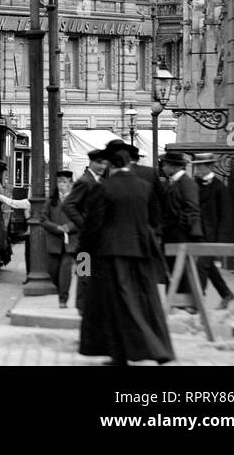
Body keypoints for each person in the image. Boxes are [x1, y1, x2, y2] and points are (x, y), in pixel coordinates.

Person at [79, 143, 174, 366]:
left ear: (111, 164)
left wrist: (83, 252)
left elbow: (94, 224)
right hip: (140, 253)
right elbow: (154, 221)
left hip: (111, 255)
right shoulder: (144, 187)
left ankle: (143, 350)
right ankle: (126, 354)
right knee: (143, 302)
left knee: (116, 305)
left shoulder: (103, 187)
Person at [63, 149, 108, 311]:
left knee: (88, 271)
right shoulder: (85, 181)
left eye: (104, 163)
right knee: (84, 272)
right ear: (91, 162)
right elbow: (68, 205)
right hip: (86, 237)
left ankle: (87, 303)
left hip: (92, 237)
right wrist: (84, 224)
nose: (102, 166)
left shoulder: (97, 181)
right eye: (99, 162)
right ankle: (82, 305)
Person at [159, 149, 203, 295]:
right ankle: (173, 304)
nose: (163, 168)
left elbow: (192, 209)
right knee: (171, 272)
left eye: (164, 165)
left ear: (173, 166)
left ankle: (183, 305)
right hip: (170, 236)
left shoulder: (187, 183)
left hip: (181, 236)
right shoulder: (171, 183)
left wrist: (180, 229)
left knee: (181, 273)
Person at [192, 156, 234, 308]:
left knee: (201, 266)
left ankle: (198, 301)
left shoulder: (219, 187)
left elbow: (226, 215)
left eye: (201, 167)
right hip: (197, 234)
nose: (198, 170)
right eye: (196, 167)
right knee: (208, 266)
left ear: (209, 167)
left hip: (211, 236)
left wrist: (220, 241)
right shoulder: (195, 184)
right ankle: (226, 293)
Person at [43, 170, 75, 308]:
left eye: (65, 182)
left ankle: (63, 298)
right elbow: (43, 219)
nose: (62, 184)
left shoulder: (75, 200)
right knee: (53, 271)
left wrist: (69, 227)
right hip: (54, 242)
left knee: (65, 271)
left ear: (70, 184)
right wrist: (56, 228)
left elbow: (82, 218)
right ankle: (59, 289)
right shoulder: (51, 201)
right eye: (60, 181)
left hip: (71, 242)